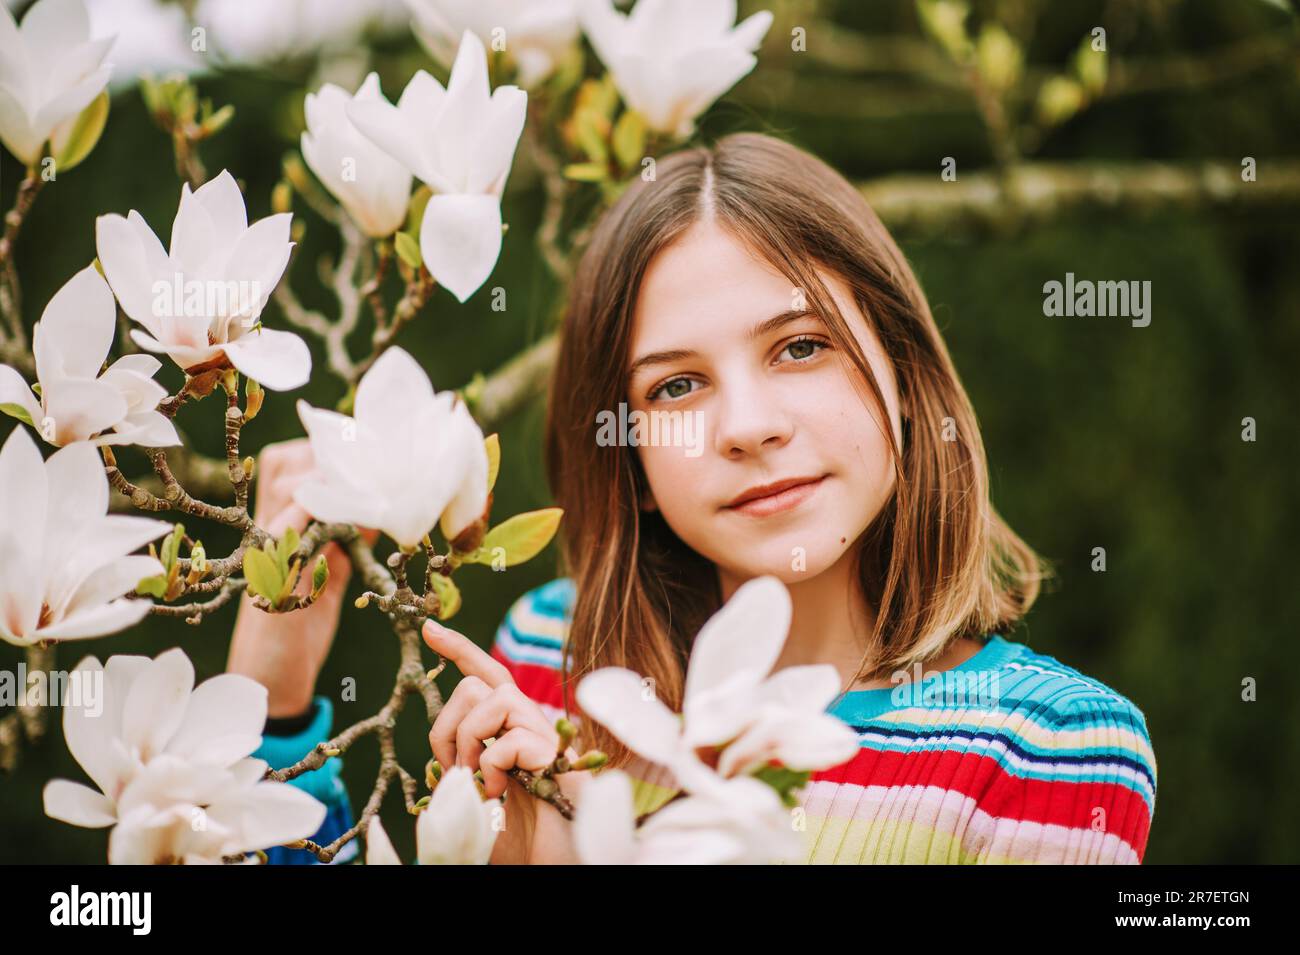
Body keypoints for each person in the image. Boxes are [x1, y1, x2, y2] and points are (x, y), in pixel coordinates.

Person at [232, 132, 1157, 865]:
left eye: (801, 346)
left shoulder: (1049, 748)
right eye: (676, 387)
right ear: (628, 455)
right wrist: (271, 704)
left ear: (905, 377)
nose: (747, 427)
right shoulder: (548, 660)